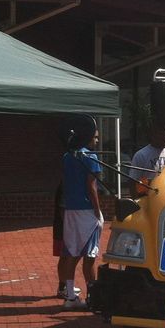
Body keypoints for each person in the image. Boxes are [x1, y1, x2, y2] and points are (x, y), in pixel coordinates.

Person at [57, 128, 102, 310]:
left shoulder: (67, 157)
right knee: (89, 256)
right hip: (86, 211)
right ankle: (93, 297)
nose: (97, 141)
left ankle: (69, 296)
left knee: (71, 253)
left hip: (70, 209)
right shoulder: (90, 158)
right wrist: (98, 211)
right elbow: (91, 187)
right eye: (95, 137)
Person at [129, 124, 165, 195]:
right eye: (164, 134)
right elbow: (133, 182)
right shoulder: (141, 155)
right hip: (149, 200)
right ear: (154, 135)